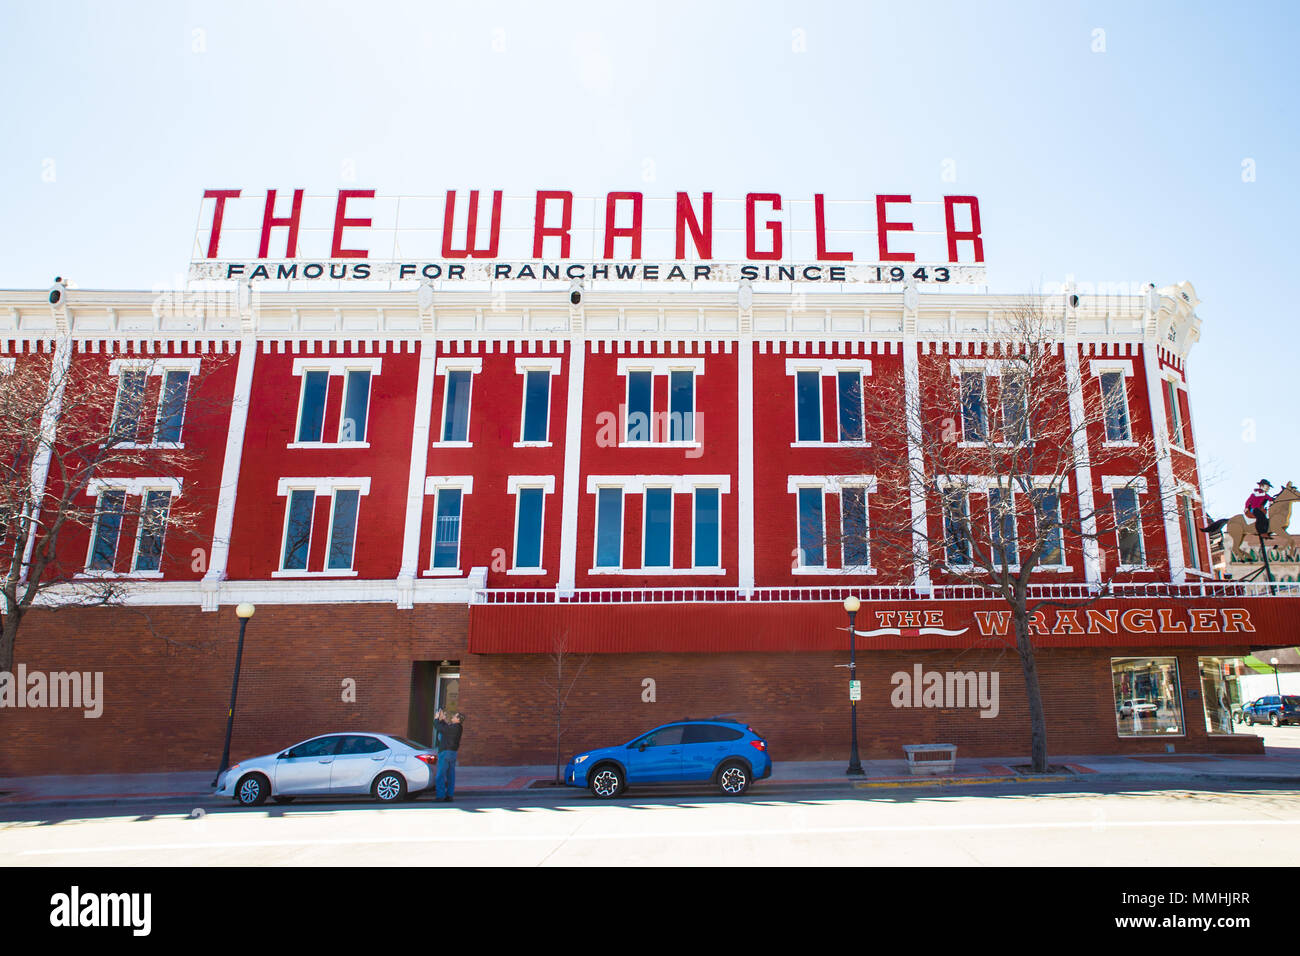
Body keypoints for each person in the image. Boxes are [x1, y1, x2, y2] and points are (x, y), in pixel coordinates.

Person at [433, 709, 464, 802]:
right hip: (453, 753)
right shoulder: (457, 727)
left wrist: (436, 719)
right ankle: (449, 795)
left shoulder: (455, 727)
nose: (453, 717)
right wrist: (442, 719)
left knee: (440, 775)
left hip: (446, 752)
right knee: (451, 775)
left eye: (455, 716)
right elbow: (446, 728)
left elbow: (441, 728)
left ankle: (440, 796)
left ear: (458, 719)